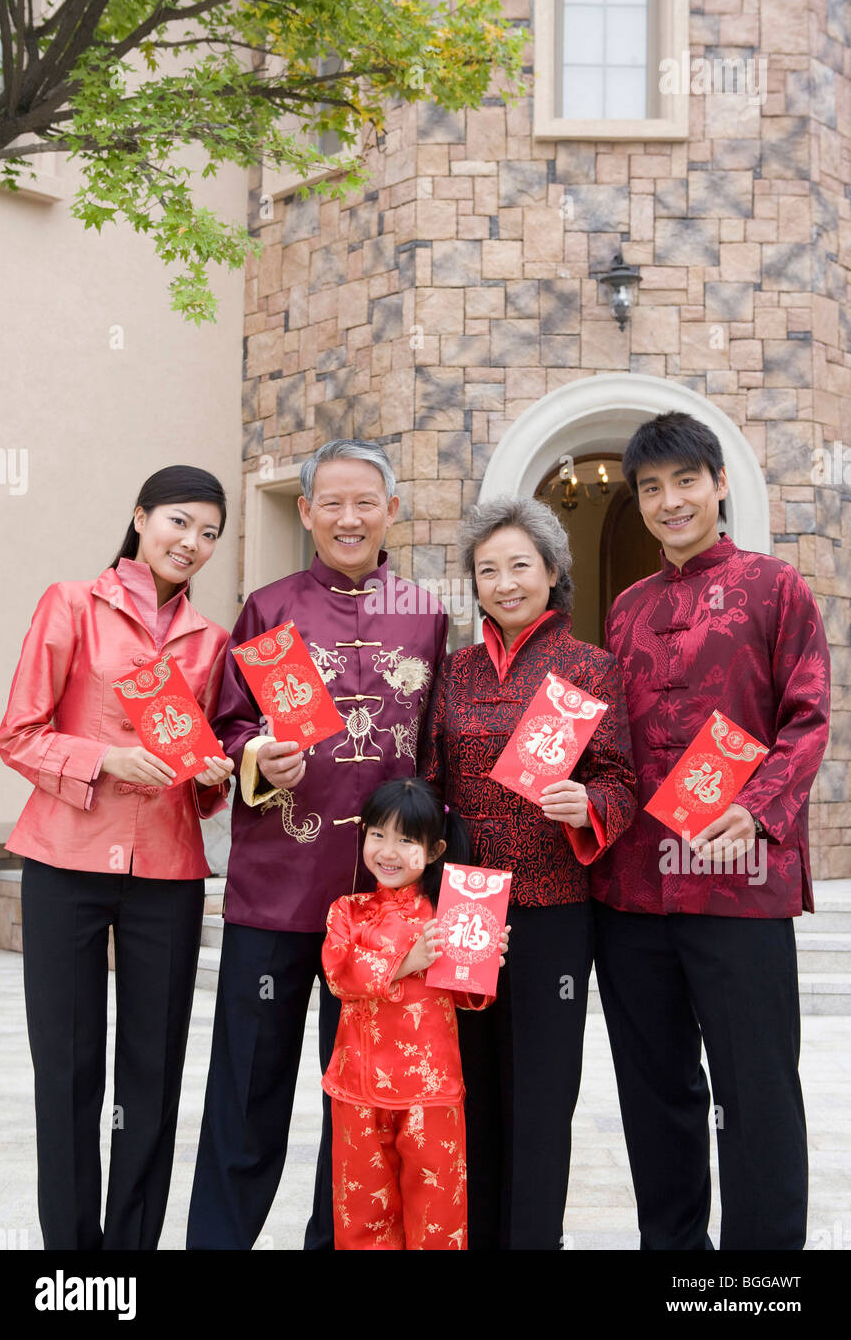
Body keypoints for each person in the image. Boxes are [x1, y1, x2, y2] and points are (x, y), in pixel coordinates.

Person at [186, 438, 447, 1250]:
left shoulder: (427, 612)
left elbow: (438, 746)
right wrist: (257, 757)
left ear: (392, 510)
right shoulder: (267, 609)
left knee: (365, 1101)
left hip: (387, 908)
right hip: (279, 890)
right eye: (329, 502)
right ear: (304, 512)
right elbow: (225, 728)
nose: (348, 517)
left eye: (365, 501)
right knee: (247, 1090)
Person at [591, 410, 831, 1250]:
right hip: (633, 895)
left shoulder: (777, 588)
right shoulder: (623, 611)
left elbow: (808, 720)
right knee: (655, 1093)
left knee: (756, 1090)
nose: (669, 502)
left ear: (719, 484)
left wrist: (760, 810)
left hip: (738, 885)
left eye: (685, 481)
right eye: (650, 489)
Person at [0, 466, 234, 1251]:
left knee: (152, 1074)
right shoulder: (70, 604)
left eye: (208, 533)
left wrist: (211, 780)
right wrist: (105, 760)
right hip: (64, 861)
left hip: (166, 874)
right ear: (139, 517)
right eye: (178, 522)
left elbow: (198, 783)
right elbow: (18, 736)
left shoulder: (212, 641)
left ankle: (131, 1256)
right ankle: (71, 1259)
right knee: (66, 1074)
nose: (191, 543)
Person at [420, 495, 637, 1250]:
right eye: (488, 570)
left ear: (552, 570)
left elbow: (622, 779)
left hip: (551, 905)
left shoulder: (592, 668)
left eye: (520, 565)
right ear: (473, 583)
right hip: (468, 902)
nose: (505, 582)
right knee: (470, 1086)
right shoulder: (454, 671)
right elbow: (431, 778)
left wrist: (589, 801)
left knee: (543, 1095)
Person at [321, 777, 509, 1250]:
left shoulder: (451, 914)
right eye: (378, 834)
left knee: (438, 1217)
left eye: (406, 839)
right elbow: (339, 972)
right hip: (357, 1088)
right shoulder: (347, 910)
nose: (389, 850)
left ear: (435, 848)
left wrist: (485, 955)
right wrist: (408, 962)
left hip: (431, 1091)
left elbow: (468, 996)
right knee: (362, 1219)